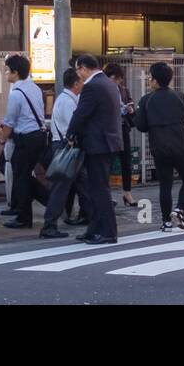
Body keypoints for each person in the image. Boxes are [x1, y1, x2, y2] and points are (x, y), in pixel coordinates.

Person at [65, 54, 122, 244]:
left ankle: (108, 232)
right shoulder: (108, 83)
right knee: (97, 188)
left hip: (98, 143)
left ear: (83, 68)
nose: (77, 74)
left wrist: (70, 135)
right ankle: (94, 229)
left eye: (77, 69)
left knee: (99, 189)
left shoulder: (92, 86)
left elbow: (80, 114)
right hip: (109, 141)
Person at [135, 62, 184, 231]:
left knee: (165, 185)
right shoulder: (179, 96)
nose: (149, 81)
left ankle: (166, 222)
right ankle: (179, 209)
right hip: (181, 145)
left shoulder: (146, 100)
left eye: (150, 78)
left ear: (155, 80)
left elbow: (141, 126)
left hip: (159, 147)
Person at [0, 53, 50, 230]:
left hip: (26, 139)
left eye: (7, 70)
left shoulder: (16, 94)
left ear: (16, 72)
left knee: (21, 177)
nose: (5, 73)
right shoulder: (34, 88)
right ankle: (50, 201)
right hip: (38, 136)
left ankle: (25, 217)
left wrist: (1, 141)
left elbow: (10, 122)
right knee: (24, 176)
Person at [40, 67, 86, 238]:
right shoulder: (67, 102)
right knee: (61, 187)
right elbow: (73, 127)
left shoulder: (65, 99)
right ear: (76, 83)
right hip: (66, 148)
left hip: (63, 147)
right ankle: (49, 224)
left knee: (83, 183)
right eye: (81, 80)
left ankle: (89, 215)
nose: (83, 83)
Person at [103, 63, 140, 208]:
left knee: (126, 161)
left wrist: (130, 108)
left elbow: (130, 102)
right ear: (111, 77)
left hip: (123, 127)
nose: (119, 82)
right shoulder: (103, 89)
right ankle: (107, 195)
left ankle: (127, 193)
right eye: (117, 79)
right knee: (109, 163)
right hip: (110, 129)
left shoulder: (123, 90)